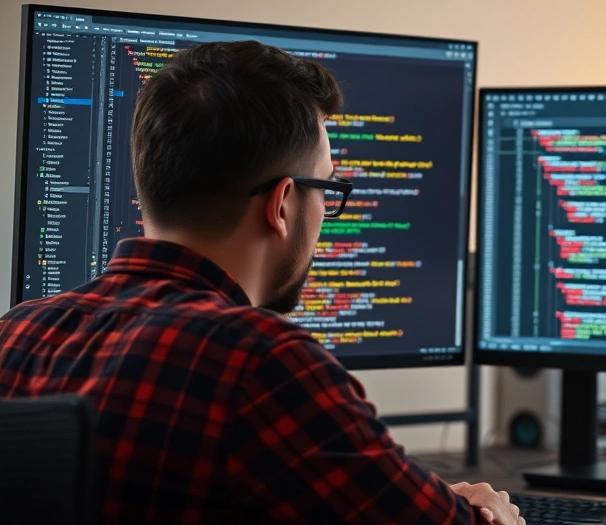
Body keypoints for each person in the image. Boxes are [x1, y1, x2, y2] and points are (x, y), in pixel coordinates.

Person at [0, 41, 523, 525]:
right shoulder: (261, 363)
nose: (325, 211)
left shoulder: (15, 335)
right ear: (282, 204)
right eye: (328, 189)